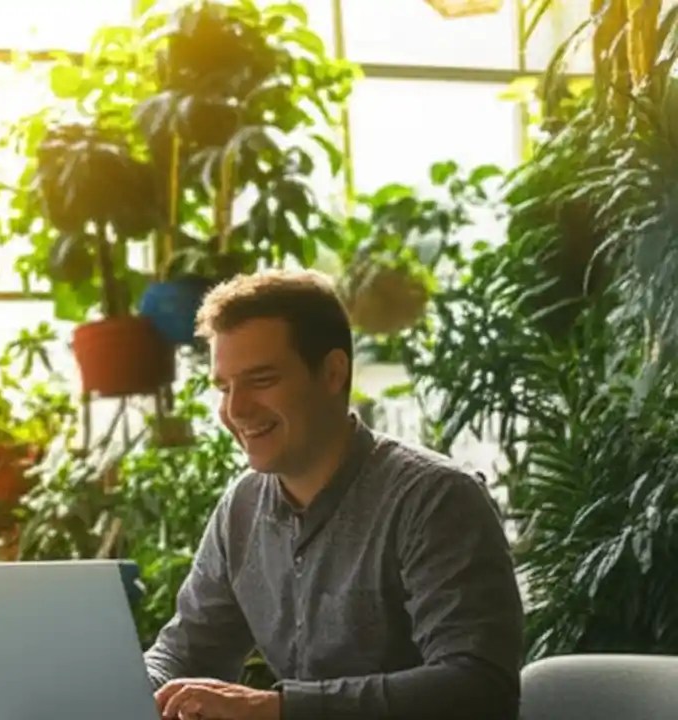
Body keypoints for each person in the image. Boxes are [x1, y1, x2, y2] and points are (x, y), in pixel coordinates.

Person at [143, 269, 524, 720]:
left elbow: (477, 687)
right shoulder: (241, 509)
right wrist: (119, 690)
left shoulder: (436, 499)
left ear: (332, 372)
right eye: (225, 388)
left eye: (261, 380)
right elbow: (184, 653)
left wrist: (277, 709)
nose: (235, 409)